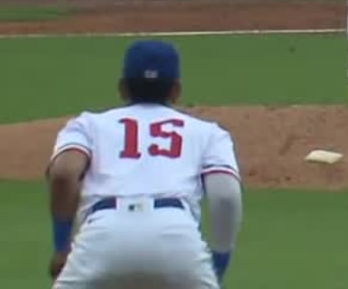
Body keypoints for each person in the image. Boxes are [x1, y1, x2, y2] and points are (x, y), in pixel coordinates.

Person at [46, 40, 243, 288]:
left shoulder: (87, 125)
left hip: (103, 236)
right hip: (177, 237)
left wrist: (61, 247)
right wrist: (218, 264)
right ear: (176, 90)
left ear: (122, 88)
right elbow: (225, 196)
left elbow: (64, 173)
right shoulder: (209, 133)